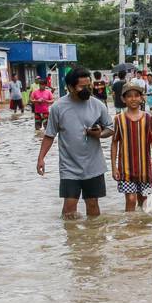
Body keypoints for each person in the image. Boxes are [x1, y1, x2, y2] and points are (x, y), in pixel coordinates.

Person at [37, 67, 114, 220]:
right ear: (70, 87)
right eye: (82, 87)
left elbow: (110, 128)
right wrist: (41, 158)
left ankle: (93, 239)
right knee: (69, 209)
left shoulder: (98, 105)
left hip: (94, 165)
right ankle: (72, 241)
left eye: (88, 85)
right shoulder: (58, 107)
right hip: (69, 167)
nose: (87, 89)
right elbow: (49, 135)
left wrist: (99, 134)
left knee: (92, 205)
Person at [111, 78, 152, 212]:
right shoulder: (118, 119)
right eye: (129, 96)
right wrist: (114, 166)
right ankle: (129, 228)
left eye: (136, 95)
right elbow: (114, 142)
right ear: (123, 99)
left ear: (142, 98)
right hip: (125, 169)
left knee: (144, 201)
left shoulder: (148, 118)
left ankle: (141, 230)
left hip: (144, 168)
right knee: (131, 200)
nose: (133, 99)